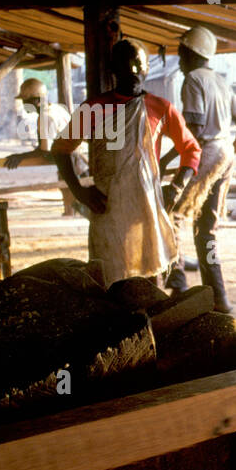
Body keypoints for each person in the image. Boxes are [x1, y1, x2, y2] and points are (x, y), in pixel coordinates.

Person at [48, 39, 201, 289]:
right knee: (108, 280)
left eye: (137, 64)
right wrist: (79, 191)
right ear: (112, 69)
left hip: (146, 209)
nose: (132, 71)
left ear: (147, 68)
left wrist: (176, 187)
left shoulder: (161, 108)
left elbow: (191, 149)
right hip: (106, 208)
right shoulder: (94, 108)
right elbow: (60, 149)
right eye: (124, 65)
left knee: (149, 278)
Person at [163, 26, 236, 313]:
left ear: (191, 53)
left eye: (180, 52)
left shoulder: (192, 80)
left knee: (172, 216)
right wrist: (228, 153)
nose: (178, 58)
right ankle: (219, 298)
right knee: (206, 230)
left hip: (206, 151)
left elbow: (194, 128)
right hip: (224, 152)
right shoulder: (220, 81)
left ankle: (178, 285)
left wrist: (166, 159)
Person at [7, 78, 87, 216]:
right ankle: (73, 212)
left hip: (73, 158)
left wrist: (21, 156)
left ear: (36, 100)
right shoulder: (57, 109)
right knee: (74, 190)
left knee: (74, 192)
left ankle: (75, 213)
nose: (23, 104)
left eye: (25, 101)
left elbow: (45, 151)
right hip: (80, 154)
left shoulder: (45, 116)